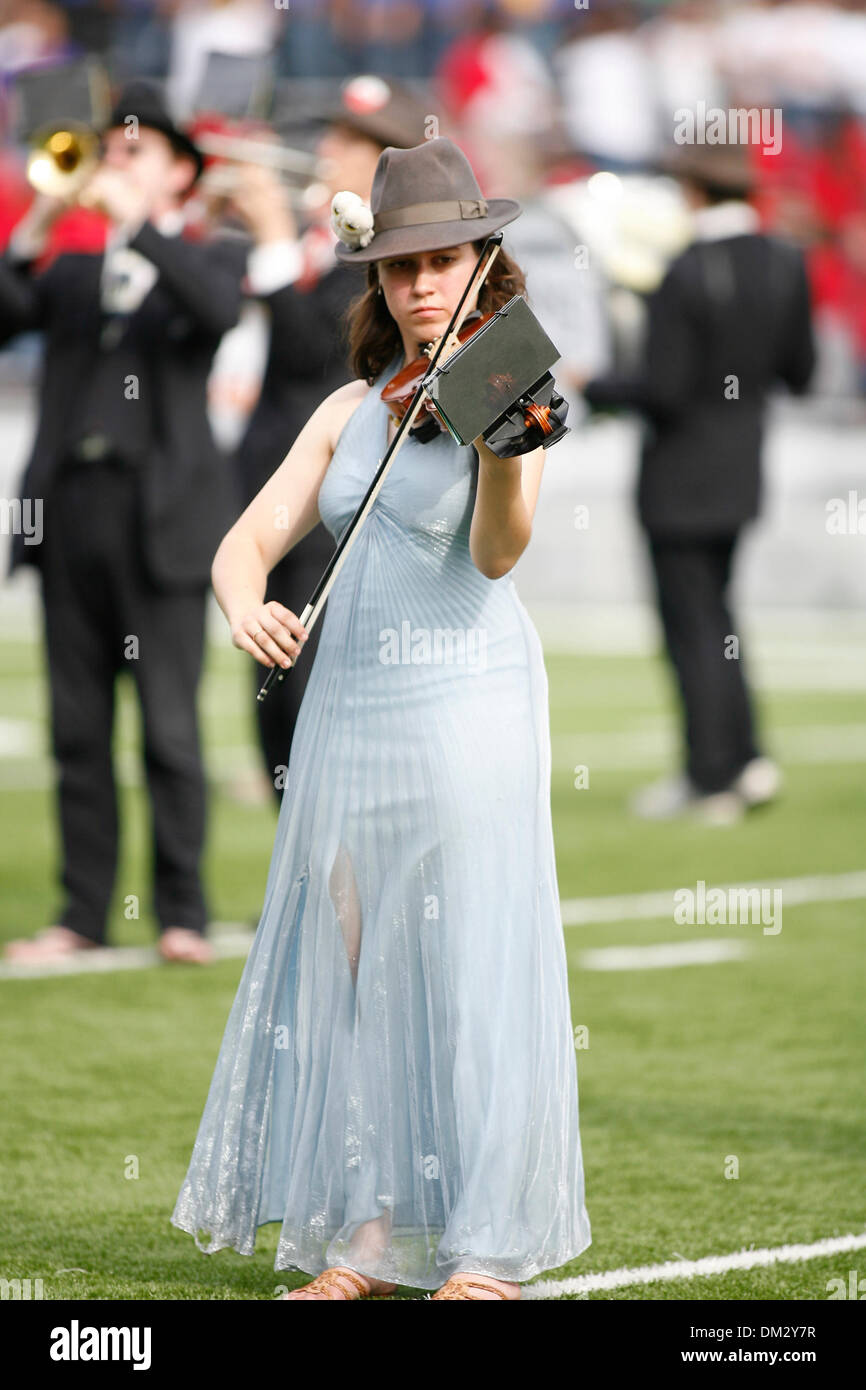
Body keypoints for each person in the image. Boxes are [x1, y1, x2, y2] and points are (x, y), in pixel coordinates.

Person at [170, 135, 591, 1299]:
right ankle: (365, 1233)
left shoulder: (514, 384)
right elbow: (246, 542)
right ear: (377, 279)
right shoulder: (353, 406)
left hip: (464, 704)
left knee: (465, 966)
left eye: (441, 263)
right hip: (349, 711)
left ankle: (486, 1248)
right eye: (399, 269)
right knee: (358, 975)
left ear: (480, 267)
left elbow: (497, 557)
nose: (417, 287)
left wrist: (508, 448)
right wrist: (245, 602)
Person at [1, 80, 245, 964]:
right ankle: (82, 913)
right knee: (76, 731)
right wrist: (37, 220)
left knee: (170, 730)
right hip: (70, 514)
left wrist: (140, 223)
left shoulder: (207, 257)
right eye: (111, 149)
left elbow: (216, 315)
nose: (115, 162)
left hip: (164, 521)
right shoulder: (68, 268)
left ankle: (183, 910)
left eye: (137, 150)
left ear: (181, 171)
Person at [583, 146, 816, 824]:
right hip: (743, 469)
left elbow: (663, 388)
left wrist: (590, 383)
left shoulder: (683, 271)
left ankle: (710, 774)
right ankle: (744, 759)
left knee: (692, 626)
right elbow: (798, 372)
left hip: (679, 477)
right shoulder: (784, 261)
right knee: (719, 617)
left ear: (691, 190)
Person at [224, 76, 430, 803]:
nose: (323, 152)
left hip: (337, 489)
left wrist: (276, 239)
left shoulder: (395, 259)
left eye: (345, 141)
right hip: (273, 476)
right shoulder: (320, 237)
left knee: (317, 689)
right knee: (274, 689)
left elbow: (321, 355)